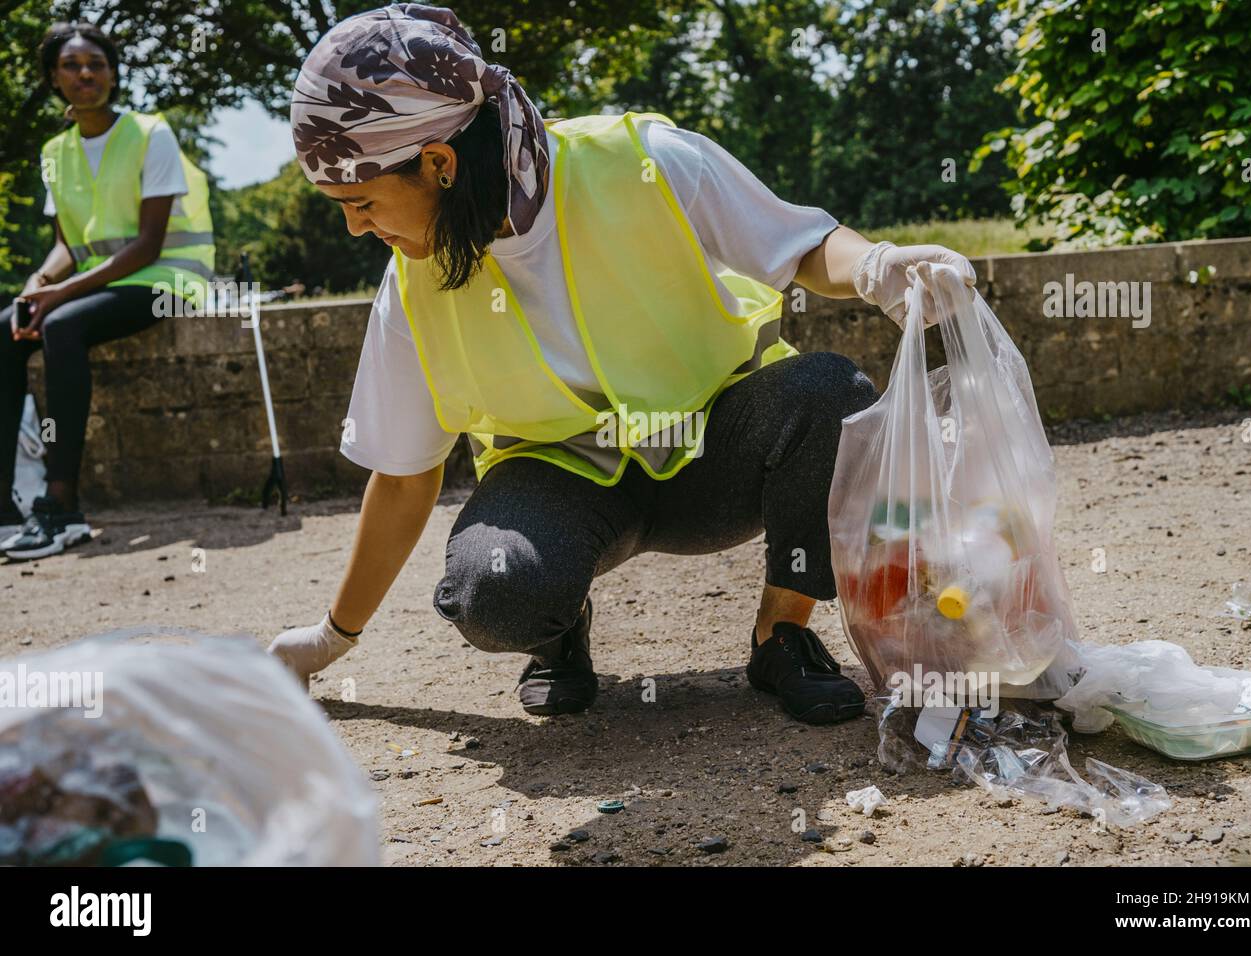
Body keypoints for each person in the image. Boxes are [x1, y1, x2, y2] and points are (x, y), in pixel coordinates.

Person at [270, 4, 976, 724]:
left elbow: (797, 245)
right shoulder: (409, 283)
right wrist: (333, 637)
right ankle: (559, 627)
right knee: (492, 593)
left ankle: (781, 633)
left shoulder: (644, 162)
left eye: (359, 202)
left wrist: (878, 266)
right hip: (564, 488)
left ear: (439, 164)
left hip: (711, 455)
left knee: (831, 393)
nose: (357, 227)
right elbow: (404, 474)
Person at [0, 21, 214, 560]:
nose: (85, 73)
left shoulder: (149, 133)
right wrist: (38, 284)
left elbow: (147, 244)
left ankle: (61, 506)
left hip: (167, 278)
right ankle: (5, 509)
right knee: (6, 327)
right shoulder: (55, 150)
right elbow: (67, 245)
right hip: (96, 282)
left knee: (62, 324)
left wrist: (59, 296)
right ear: (54, 77)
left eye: (96, 63)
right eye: (71, 65)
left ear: (114, 73)